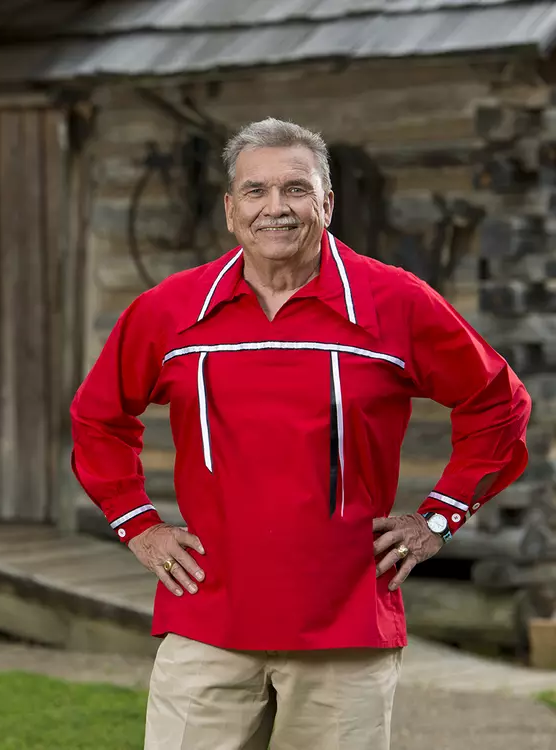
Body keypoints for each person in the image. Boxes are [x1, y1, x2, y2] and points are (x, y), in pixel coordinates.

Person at [69, 117, 531, 750]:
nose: (276, 209)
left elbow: (498, 405)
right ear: (231, 209)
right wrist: (138, 524)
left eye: (296, 189)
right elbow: (98, 417)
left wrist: (439, 519)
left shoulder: (396, 302)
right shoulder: (169, 311)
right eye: (256, 192)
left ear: (326, 203)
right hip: (208, 619)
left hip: (345, 627)